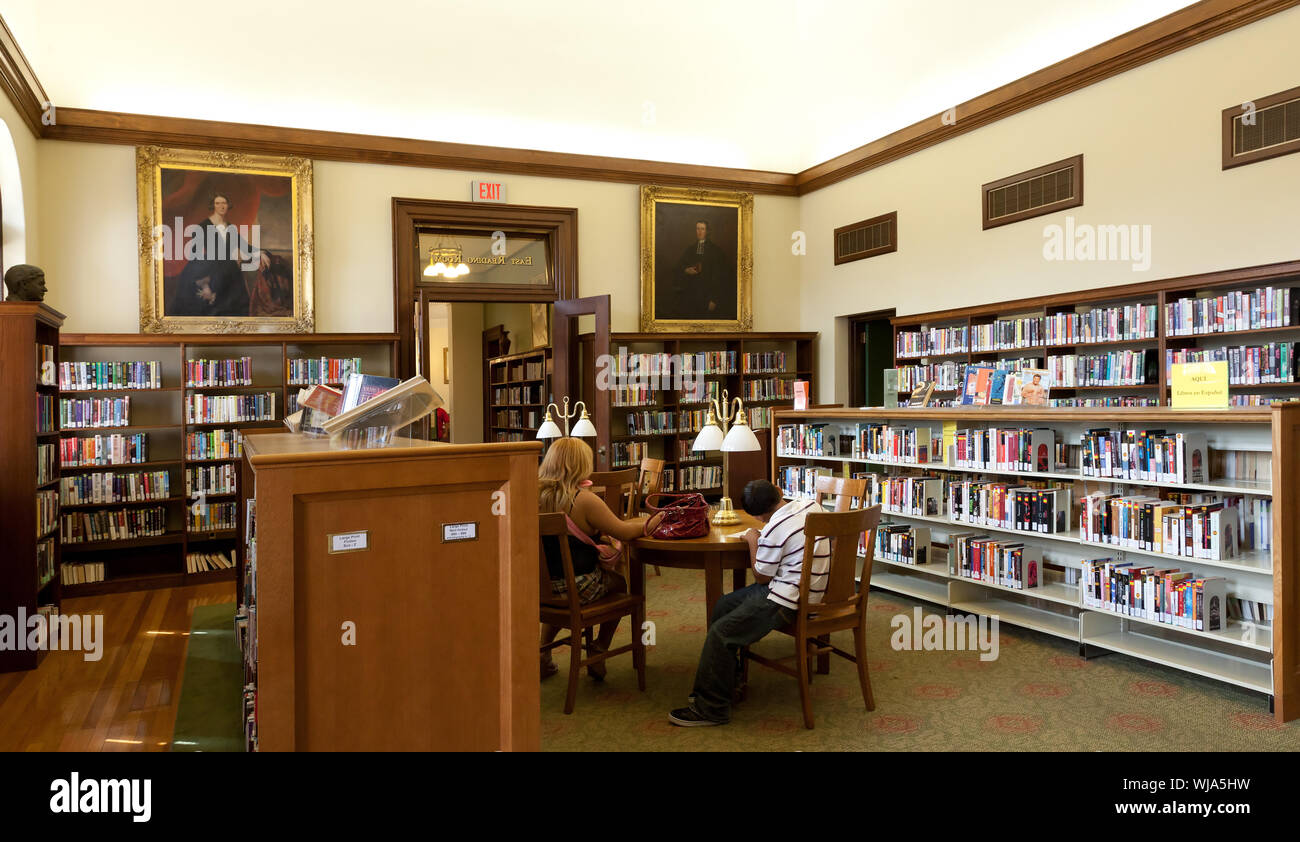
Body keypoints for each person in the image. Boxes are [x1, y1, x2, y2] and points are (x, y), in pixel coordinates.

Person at [669, 479, 830, 726]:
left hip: (787, 601)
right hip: (805, 590)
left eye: (761, 520)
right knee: (723, 606)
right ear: (778, 492)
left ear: (758, 515)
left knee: (720, 633)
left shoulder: (774, 527)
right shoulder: (811, 506)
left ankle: (712, 709)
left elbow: (762, 576)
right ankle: (727, 682)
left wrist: (753, 538)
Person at [538, 438, 663, 680]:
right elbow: (624, 532)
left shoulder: (533, 495)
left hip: (541, 588)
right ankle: (599, 647)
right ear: (580, 465)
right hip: (576, 587)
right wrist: (655, 520)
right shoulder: (583, 499)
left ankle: (542, 653)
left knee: (561, 591)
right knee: (620, 584)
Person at [171, 192, 270, 317]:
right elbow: (195, 257)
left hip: (230, 271)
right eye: (218, 203)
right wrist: (204, 284)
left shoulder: (231, 227)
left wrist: (260, 253)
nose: (221, 206)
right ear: (213, 206)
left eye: (224, 203)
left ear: (228, 206)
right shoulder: (202, 227)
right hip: (210, 273)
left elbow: (244, 246)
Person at [664, 219, 735, 320]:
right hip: (691, 297)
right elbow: (678, 267)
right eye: (698, 229)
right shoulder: (690, 249)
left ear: (707, 231)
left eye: (702, 229)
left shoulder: (716, 251)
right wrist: (686, 270)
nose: (700, 232)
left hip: (707, 297)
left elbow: (721, 277)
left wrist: (714, 299)